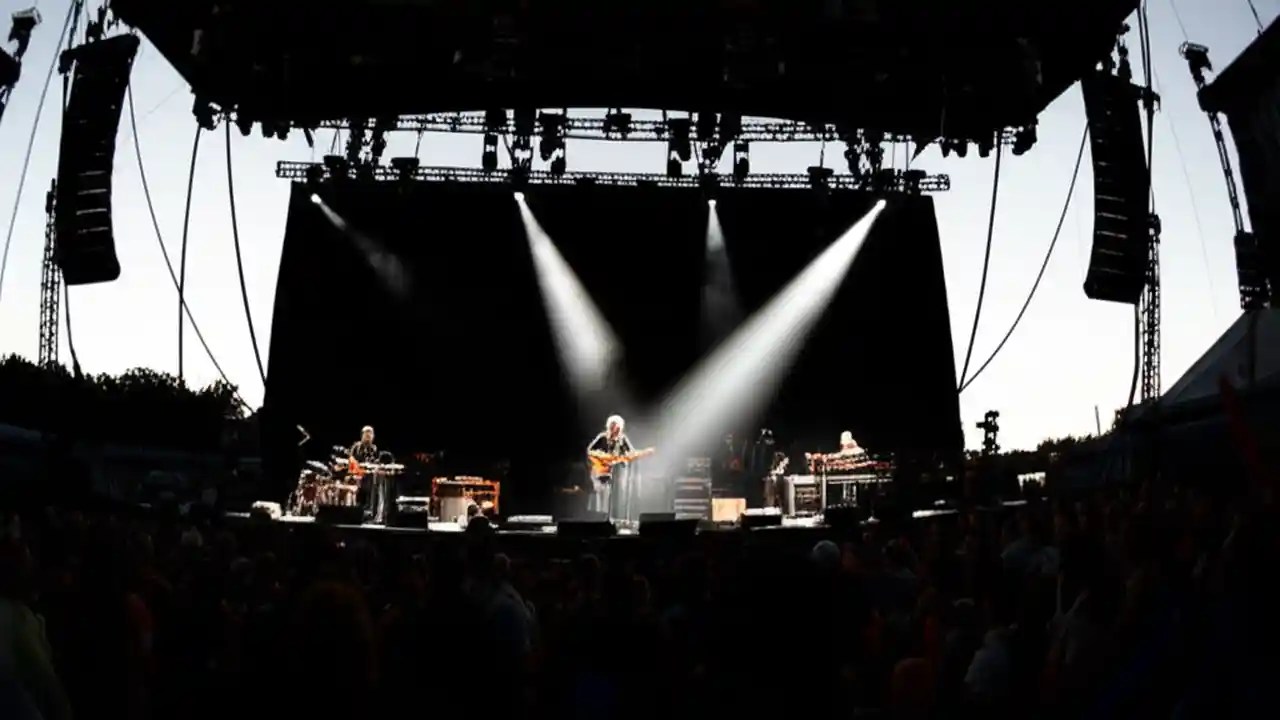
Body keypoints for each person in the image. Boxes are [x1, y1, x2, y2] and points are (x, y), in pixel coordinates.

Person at [585, 415, 635, 520]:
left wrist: (623, 459)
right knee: (601, 498)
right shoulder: (603, 437)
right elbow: (590, 451)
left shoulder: (622, 439)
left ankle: (614, 518)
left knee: (615, 498)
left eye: (617, 427)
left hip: (616, 474)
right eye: (612, 427)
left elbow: (631, 453)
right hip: (601, 473)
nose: (615, 430)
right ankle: (600, 519)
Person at [349, 426, 385, 522]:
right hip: (357, 474)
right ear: (362, 435)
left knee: (375, 486)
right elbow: (351, 461)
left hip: (370, 475)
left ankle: (371, 513)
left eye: (370, 434)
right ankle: (357, 512)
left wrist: (377, 464)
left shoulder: (374, 448)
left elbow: (376, 461)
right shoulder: (356, 447)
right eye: (366, 434)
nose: (368, 437)